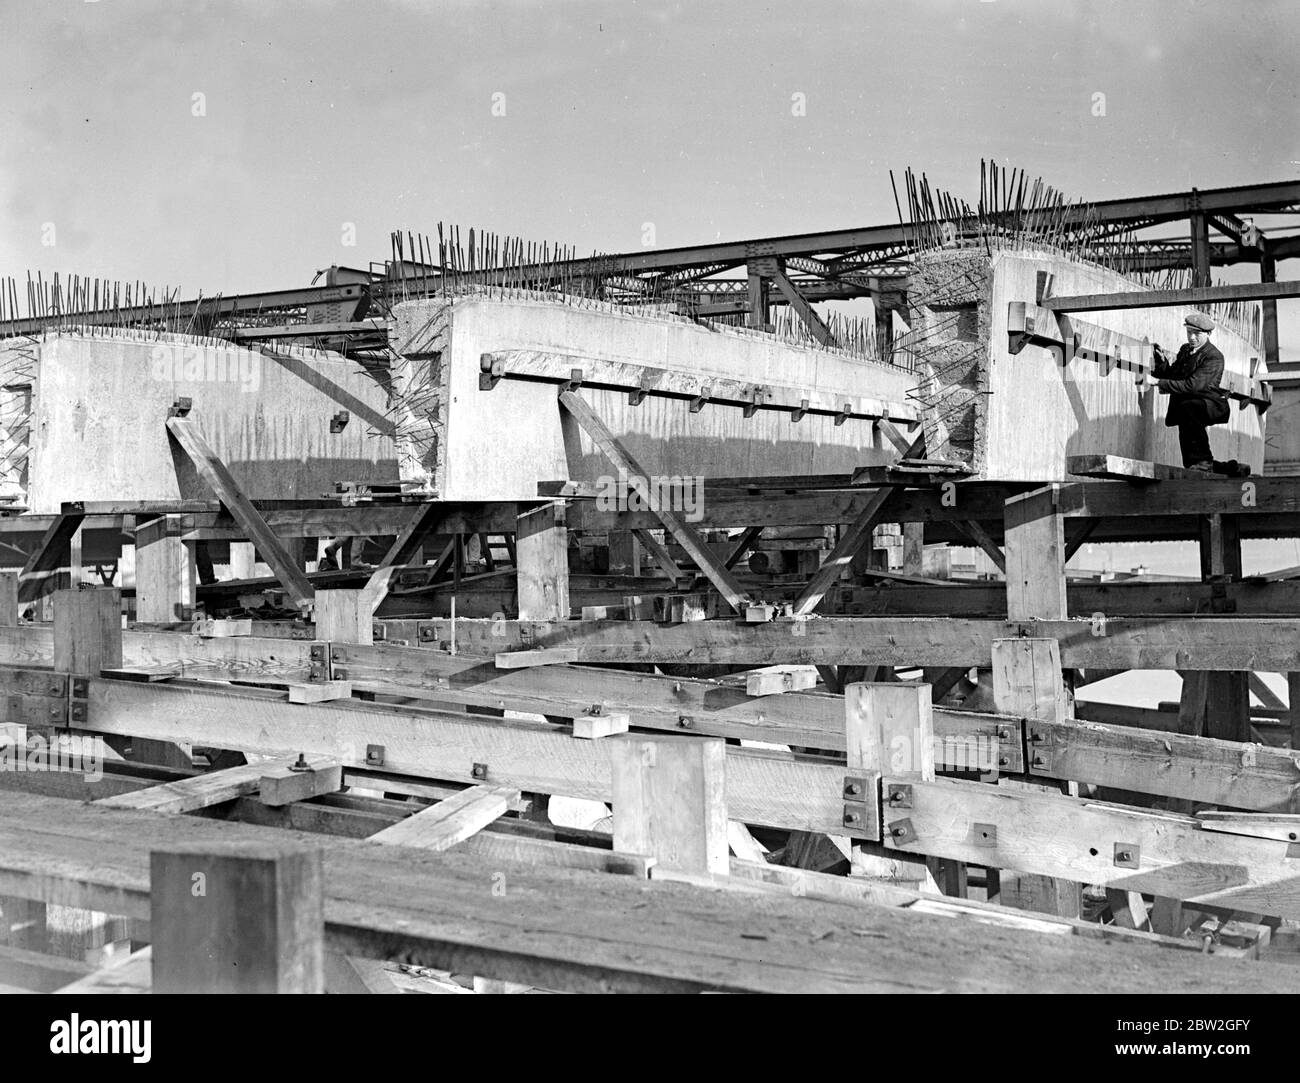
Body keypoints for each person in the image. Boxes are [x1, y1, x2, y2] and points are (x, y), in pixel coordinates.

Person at [1137, 311, 1241, 474]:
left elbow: (1193, 386)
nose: (1192, 337)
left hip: (1210, 404)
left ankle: (1203, 462)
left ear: (1208, 334)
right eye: (1189, 332)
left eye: (1196, 334)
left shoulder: (1214, 357)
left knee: (1189, 409)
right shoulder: (1186, 350)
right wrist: (1161, 362)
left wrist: (1156, 381)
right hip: (1189, 404)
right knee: (1186, 423)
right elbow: (1175, 376)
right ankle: (1220, 467)